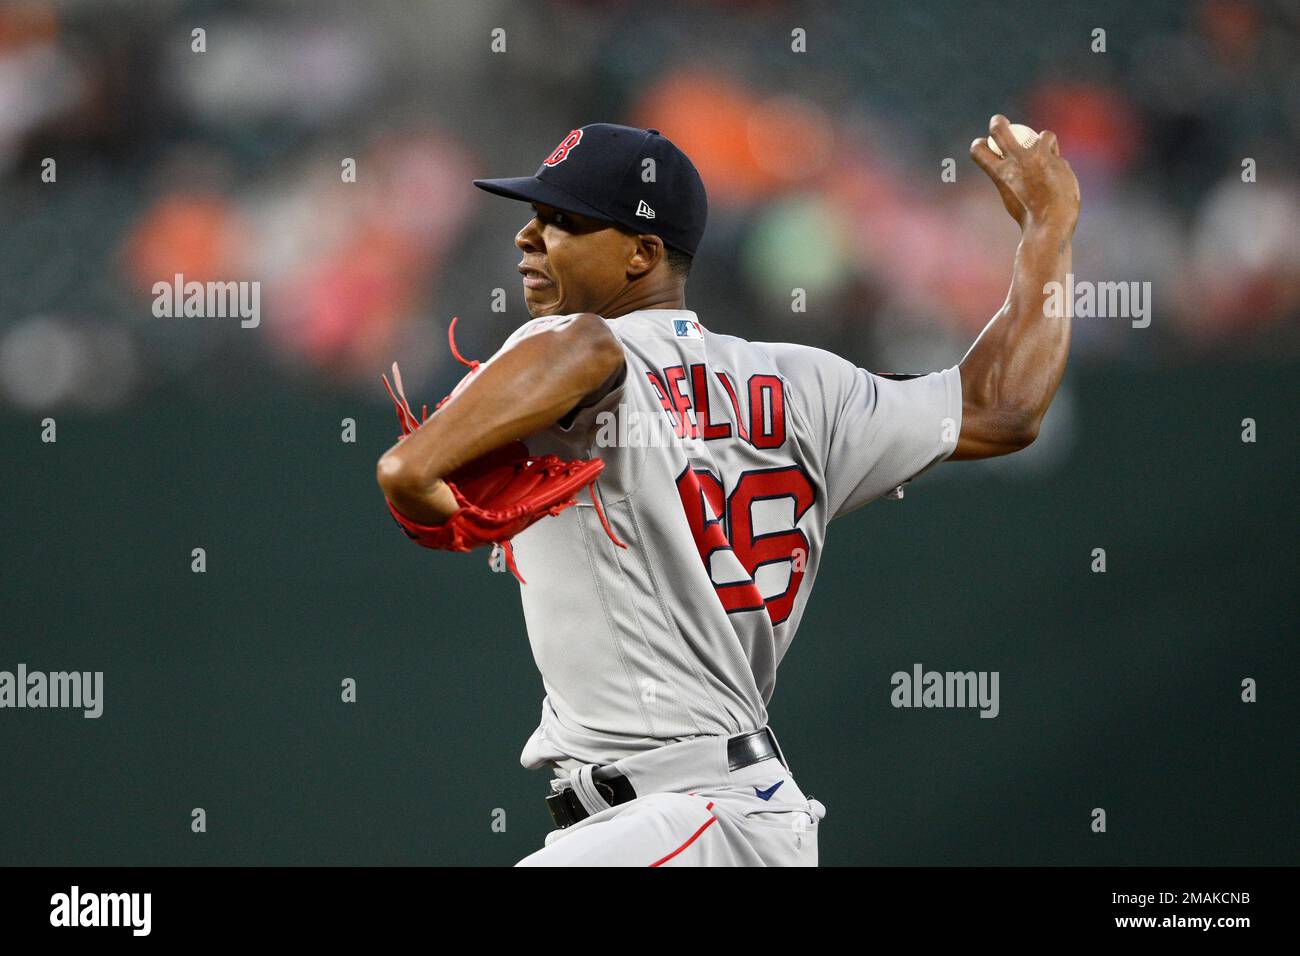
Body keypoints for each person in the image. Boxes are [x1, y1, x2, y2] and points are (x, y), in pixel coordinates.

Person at [375, 119, 1080, 866]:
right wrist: (1049, 229)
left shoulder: (570, 346)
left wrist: (417, 480)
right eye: (534, 215)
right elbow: (1000, 408)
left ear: (642, 253)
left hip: (690, 812)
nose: (528, 237)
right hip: (714, 817)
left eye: (562, 221)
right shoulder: (808, 385)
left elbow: (568, 361)